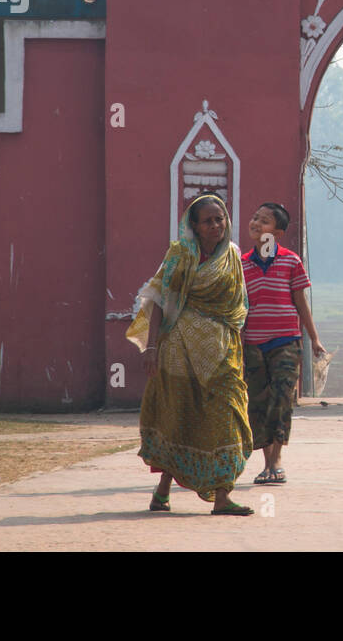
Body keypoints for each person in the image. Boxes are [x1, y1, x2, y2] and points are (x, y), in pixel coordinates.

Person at [126, 194, 254, 515]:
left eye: (220, 218)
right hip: (179, 350)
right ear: (193, 226)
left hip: (223, 352)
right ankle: (163, 490)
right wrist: (152, 346)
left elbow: (238, 306)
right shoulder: (180, 254)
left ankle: (223, 497)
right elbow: (156, 297)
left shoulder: (233, 255)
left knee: (229, 415)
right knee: (180, 417)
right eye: (208, 220)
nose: (216, 225)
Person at [241, 202, 327, 485]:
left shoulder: (291, 261)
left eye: (264, 221)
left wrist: (314, 338)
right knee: (258, 402)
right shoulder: (241, 264)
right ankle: (266, 464)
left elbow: (301, 302)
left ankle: (277, 460)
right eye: (255, 218)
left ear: (277, 232)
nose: (256, 223)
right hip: (253, 344)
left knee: (281, 399)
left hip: (286, 341)